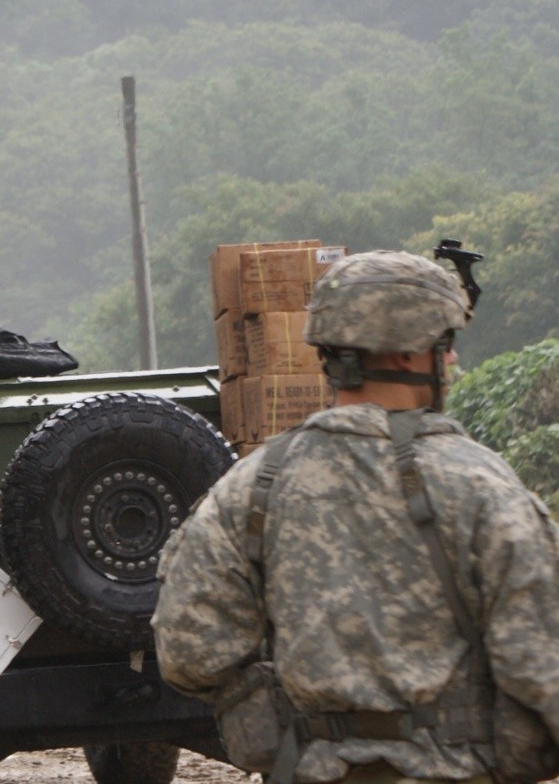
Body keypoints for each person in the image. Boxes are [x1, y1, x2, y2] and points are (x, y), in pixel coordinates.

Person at [153, 250, 559, 784]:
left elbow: (187, 647)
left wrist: (276, 716)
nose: (453, 361)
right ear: (415, 356)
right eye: (446, 345)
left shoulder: (254, 486)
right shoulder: (479, 484)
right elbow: (541, 665)